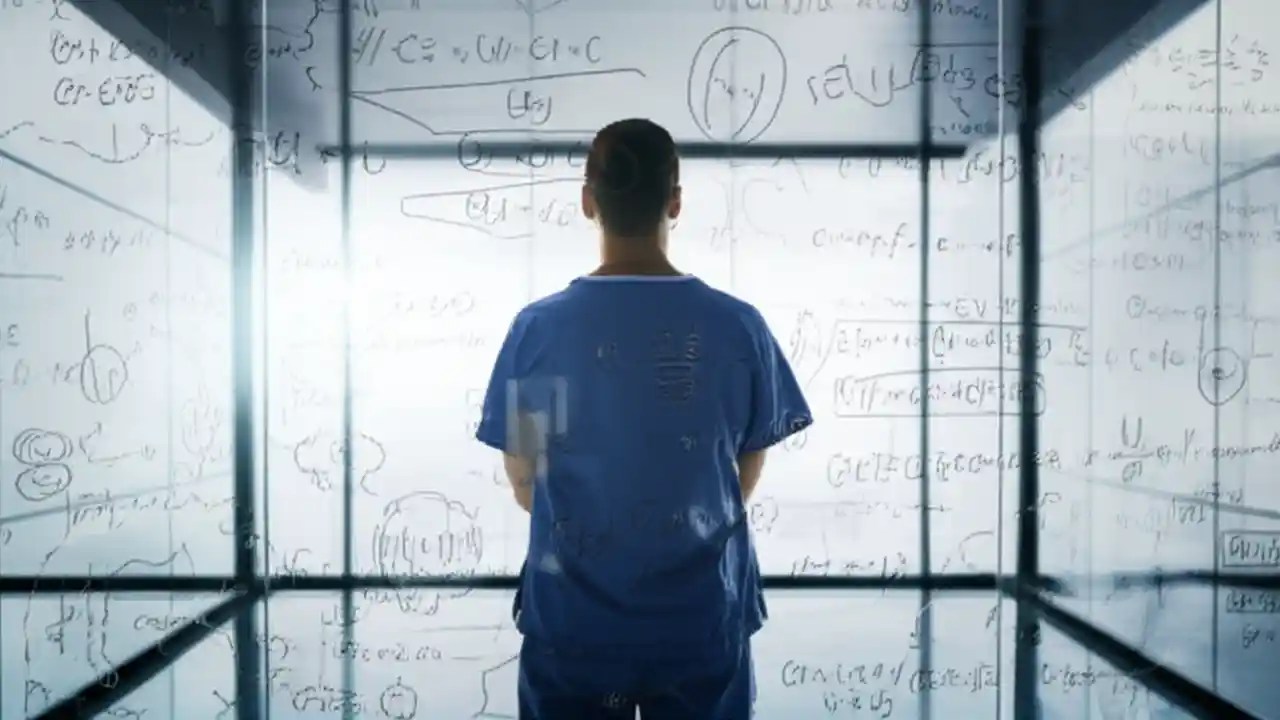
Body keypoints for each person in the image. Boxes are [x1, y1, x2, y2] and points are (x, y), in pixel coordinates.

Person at [474, 118, 813, 719]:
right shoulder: (738, 327)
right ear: (675, 201)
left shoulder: (540, 332)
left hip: (572, 625)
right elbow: (744, 472)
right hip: (702, 619)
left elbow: (526, 481)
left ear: (587, 201)